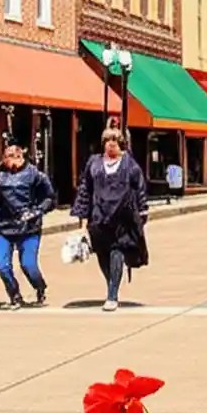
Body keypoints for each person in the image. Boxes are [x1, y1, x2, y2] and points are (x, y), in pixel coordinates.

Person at [71, 126, 149, 312]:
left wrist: (142, 211)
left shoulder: (130, 164)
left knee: (117, 251)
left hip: (122, 218)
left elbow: (140, 188)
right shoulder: (94, 163)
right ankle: (111, 284)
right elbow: (85, 191)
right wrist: (82, 217)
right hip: (99, 218)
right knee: (102, 255)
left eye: (114, 140)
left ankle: (112, 294)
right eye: (107, 140)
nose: (111, 144)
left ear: (121, 144)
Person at [0, 138, 55, 309]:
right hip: (3, 227)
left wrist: (37, 211)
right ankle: (14, 294)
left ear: (19, 156)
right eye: (5, 156)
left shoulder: (35, 175)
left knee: (28, 264)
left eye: (10, 156)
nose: (7, 161)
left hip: (29, 228)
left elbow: (50, 198)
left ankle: (40, 287)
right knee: (2, 265)